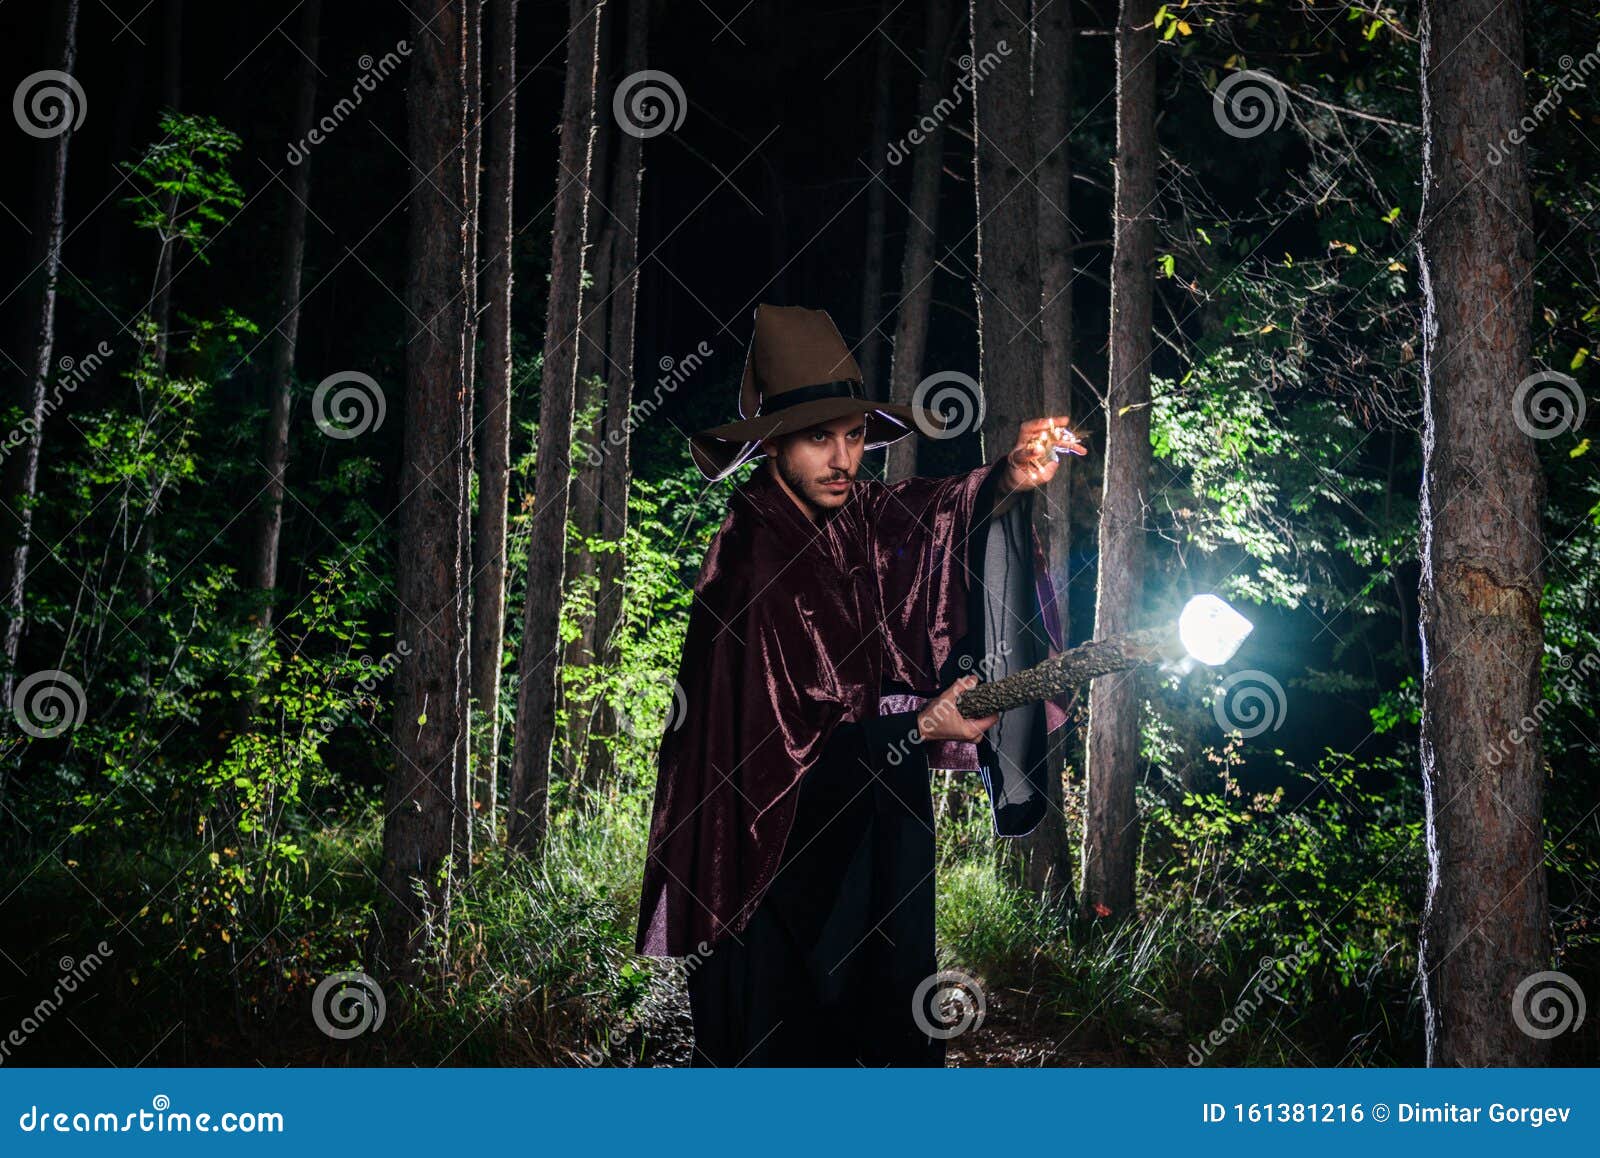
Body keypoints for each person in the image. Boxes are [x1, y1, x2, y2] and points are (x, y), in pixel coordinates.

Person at [634, 303, 1082, 1066]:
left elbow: (933, 518)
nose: (844, 458)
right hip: (779, 869)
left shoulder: (853, 518)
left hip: (876, 832)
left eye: (852, 435)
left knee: (886, 1035)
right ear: (773, 445)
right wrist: (917, 729)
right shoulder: (748, 569)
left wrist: (1008, 475)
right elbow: (767, 770)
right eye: (819, 438)